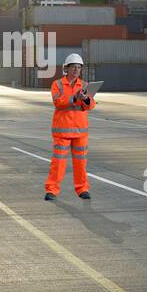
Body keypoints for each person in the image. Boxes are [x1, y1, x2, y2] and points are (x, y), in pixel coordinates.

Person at [45, 52, 96, 201]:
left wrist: (86, 100)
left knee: (81, 164)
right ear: (66, 68)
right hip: (63, 131)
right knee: (58, 163)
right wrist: (75, 97)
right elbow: (58, 102)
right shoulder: (58, 84)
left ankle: (82, 189)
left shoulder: (85, 85)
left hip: (80, 132)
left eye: (78, 67)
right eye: (73, 67)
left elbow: (91, 105)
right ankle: (52, 190)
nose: (76, 70)